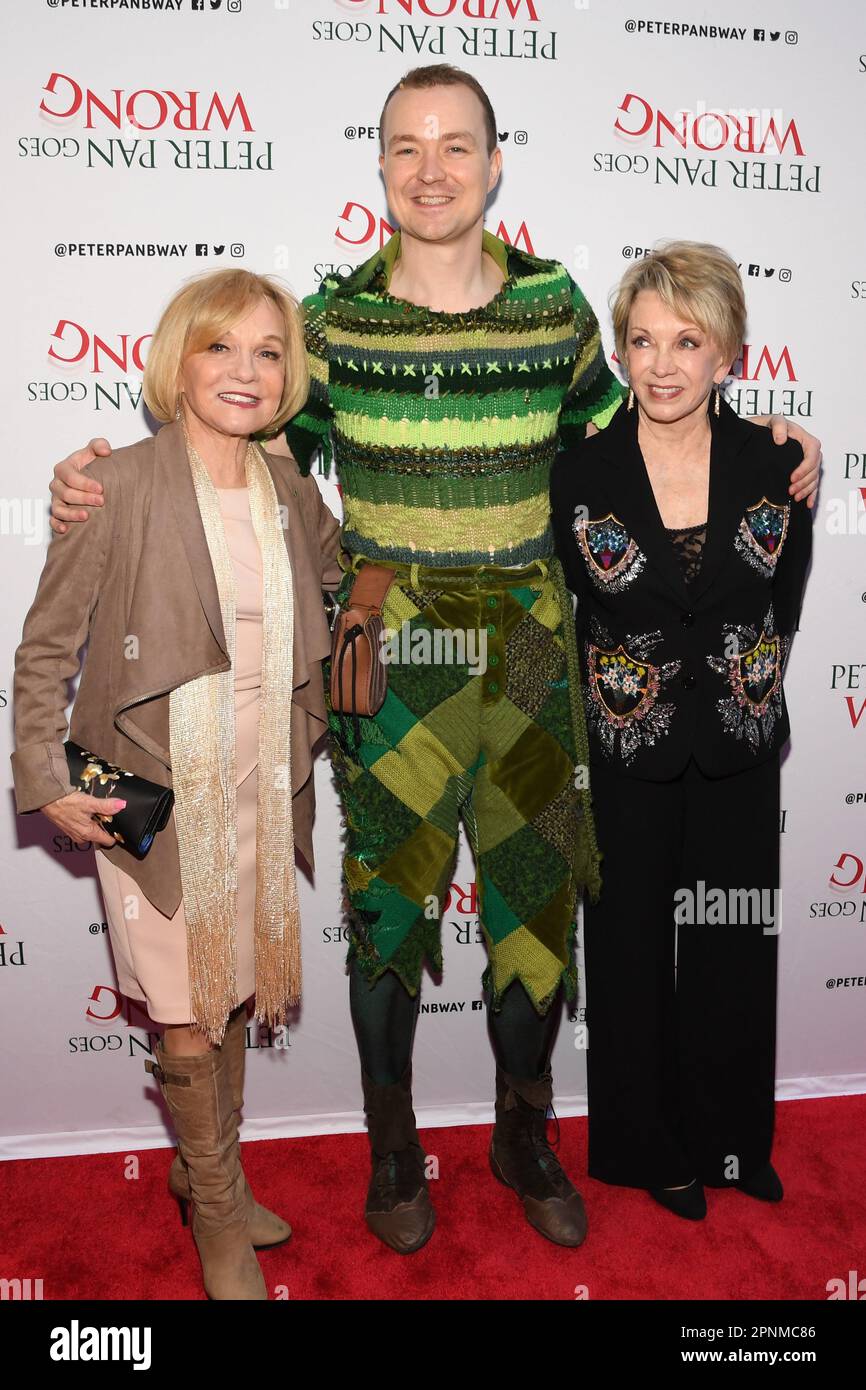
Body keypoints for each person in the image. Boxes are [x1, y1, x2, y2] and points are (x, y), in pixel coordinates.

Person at [45, 65, 821, 1253]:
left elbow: (633, 435)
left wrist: (770, 438)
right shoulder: (332, 324)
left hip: (527, 651)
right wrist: (99, 477)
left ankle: (523, 1134)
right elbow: (234, 445)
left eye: (456, 146)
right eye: (406, 147)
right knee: (389, 910)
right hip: (390, 648)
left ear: (493, 162)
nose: (431, 170)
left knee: (528, 906)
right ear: (379, 169)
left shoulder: (557, 310)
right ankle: (394, 1148)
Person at [12, 269, 342, 1297]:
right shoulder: (116, 486)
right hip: (155, 788)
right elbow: (45, 649)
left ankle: (214, 1180)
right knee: (185, 1006)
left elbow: (343, 577)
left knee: (232, 987)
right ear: (177, 360)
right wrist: (39, 771)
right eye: (219, 348)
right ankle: (216, 1213)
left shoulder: (288, 490)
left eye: (267, 351)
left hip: (260, 779)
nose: (244, 370)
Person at [550, 242, 813, 1220]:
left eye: (685, 341)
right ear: (620, 352)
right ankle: (641, 1146)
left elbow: (774, 605)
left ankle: (731, 1142)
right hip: (626, 752)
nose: (659, 364)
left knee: (732, 946)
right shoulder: (578, 473)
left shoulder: (777, 463)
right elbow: (571, 610)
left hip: (737, 746)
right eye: (640, 340)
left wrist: (736, 689)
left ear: (726, 353)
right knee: (624, 953)